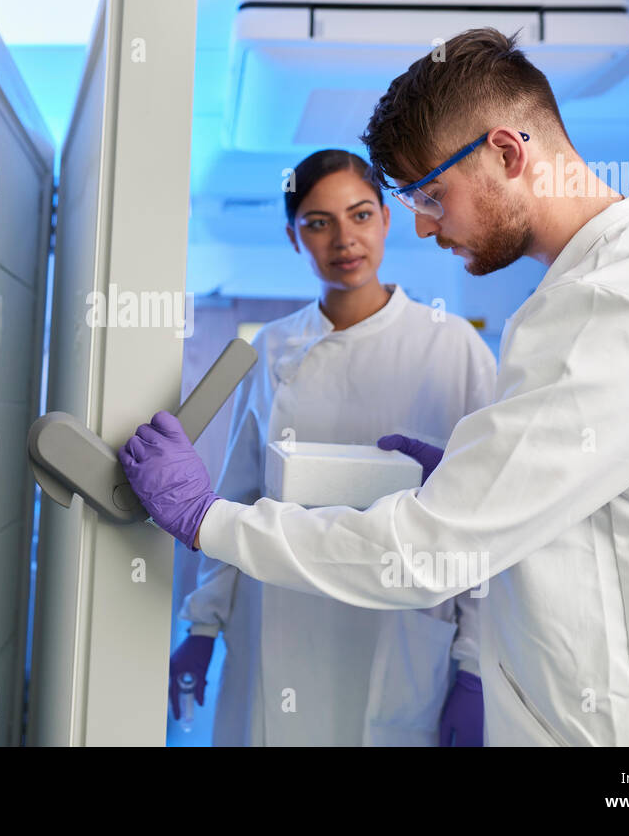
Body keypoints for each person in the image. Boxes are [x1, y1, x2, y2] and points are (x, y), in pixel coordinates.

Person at [126, 27, 629, 745]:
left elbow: (427, 549)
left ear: (506, 153)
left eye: (431, 195)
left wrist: (205, 518)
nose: (418, 224)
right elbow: (608, 509)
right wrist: (479, 476)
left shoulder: (610, 310)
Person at [170, 149, 495, 746]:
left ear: (388, 220)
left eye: (361, 214)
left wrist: (475, 667)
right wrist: (203, 624)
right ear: (295, 238)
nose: (344, 239)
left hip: (397, 623)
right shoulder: (269, 348)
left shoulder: (452, 347)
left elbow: (487, 517)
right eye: (318, 223)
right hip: (281, 614)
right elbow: (237, 495)